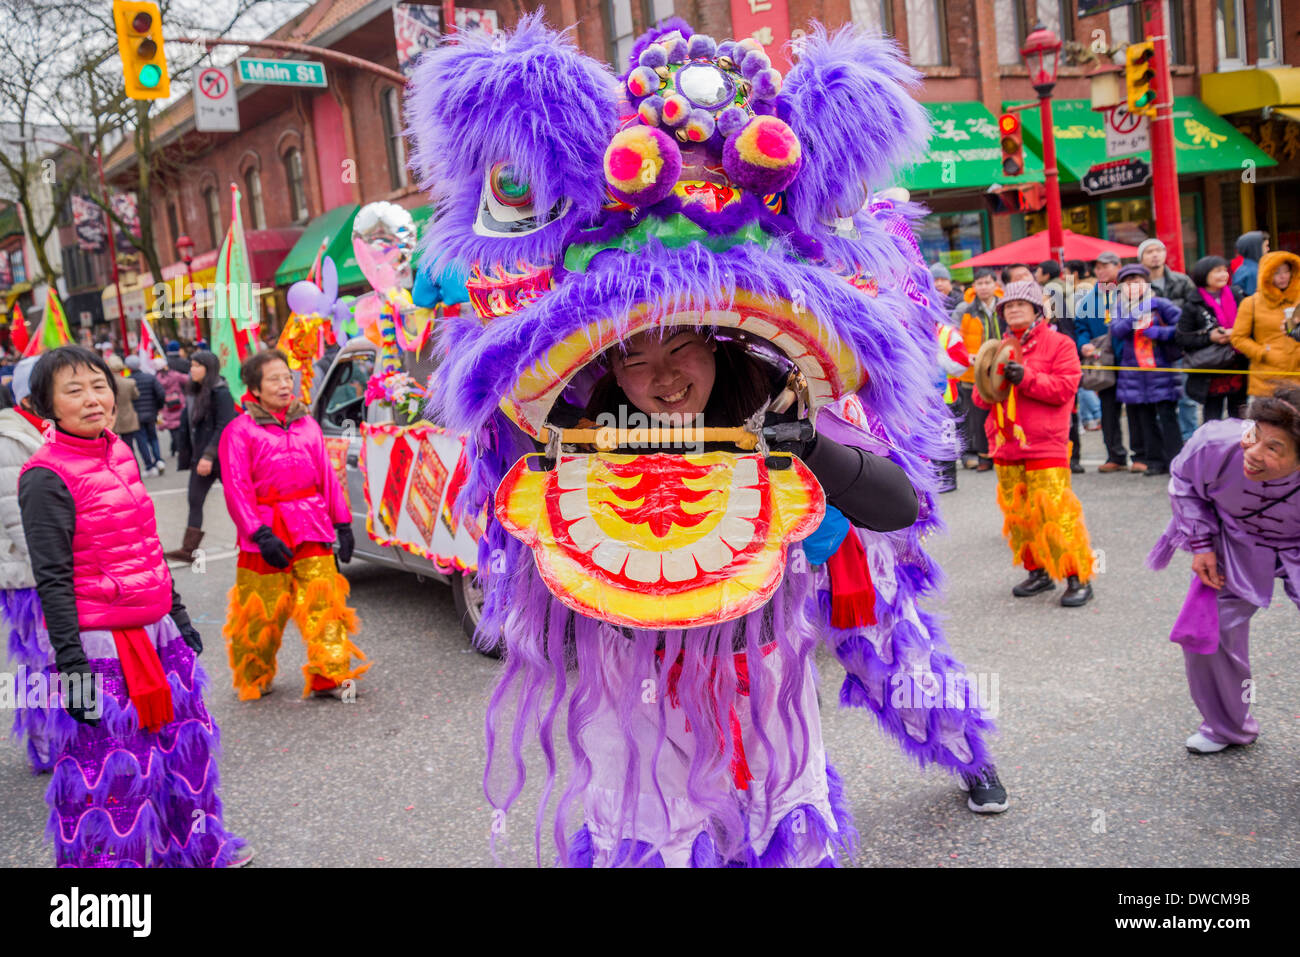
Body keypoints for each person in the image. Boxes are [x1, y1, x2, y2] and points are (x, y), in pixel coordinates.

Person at [16, 345, 249, 867]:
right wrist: (71, 670)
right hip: (101, 645)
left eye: (98, 385)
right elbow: (51, 579)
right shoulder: (43, 476)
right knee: (111, 776)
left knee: (180, 758)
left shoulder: (120, 452)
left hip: (156, 631)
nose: (93, 399)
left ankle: (191, 852)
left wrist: (180, 616)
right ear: (47, 404)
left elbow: (146, 544)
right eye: (73, 390)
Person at [1147, 386, 1300, 753]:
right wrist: (1201, 544)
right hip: (1234, 540)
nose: (1253, 453)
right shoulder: (1215, 443)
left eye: (1273, 448)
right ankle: (1226, 726)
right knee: (1207, 632)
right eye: (1254, 436)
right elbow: (1183, 482)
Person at [219, 348, 367, 701]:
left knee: (324, 605)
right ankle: (254, 674)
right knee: (260, 611)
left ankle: (329, 673)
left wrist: (342, 524)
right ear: (255, 389)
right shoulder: (239, 431)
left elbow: (328, 479)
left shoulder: (308, 424)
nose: (285, 384)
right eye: (274, 379)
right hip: (265, 533)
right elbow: (236, 487)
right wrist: (257, 532)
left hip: (312, 526)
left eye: (287, 377)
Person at [971, 281, 1094, 606]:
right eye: (1008, 306)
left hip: (1045, 444)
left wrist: (1025, 377)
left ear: (1037, 309)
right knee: (1019, 515)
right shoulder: (997, 345)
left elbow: (1065, 389)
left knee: (1055, 512)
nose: (1013, 310)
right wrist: (985, 377)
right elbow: (981, 399)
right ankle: (1037, 571)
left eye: (1021, 304)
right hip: (1006, 444)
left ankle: (1077, 576)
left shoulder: (1060, 344)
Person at [0, 357, 53, 773]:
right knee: (41, 660)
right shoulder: (10, 438)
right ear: (29, 397)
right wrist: (55, 573)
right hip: (32, 574)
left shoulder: (49, 431)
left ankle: (67, 734)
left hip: (57, 569)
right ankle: (48, 744)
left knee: (60, 659)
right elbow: (17, 517)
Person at [1110, 264, 1184, 476]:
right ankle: (1154, 461)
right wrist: (1136, 315)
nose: (1133, 285)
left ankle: (1175, 460)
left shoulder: (1161, 303)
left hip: (1160, 369)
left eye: (1138, 280)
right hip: (1134, 372)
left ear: (1146, 283)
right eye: (1128, 281)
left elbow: (1181, 328)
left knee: (1167, 416)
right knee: (1144, 418)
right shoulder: (1119, 307)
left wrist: (1158, 332)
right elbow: (1116, 330)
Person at [166, 350, 235, 563]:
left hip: (220, 457)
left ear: (208, 368)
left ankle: (255, 537)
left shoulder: (220, 392)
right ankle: (189, 549)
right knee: (194, 499)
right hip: (200, 457)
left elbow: (224, 425)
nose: (192, 369)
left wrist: (208, 455)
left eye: (196, 365)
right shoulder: (194, 391)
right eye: (191, 365)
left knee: (237, 500)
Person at [1074, 251, 1136, 471]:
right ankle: (1115, 455)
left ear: (1118, 265)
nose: (1101, 271)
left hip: (1131, 358)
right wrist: (1083, 344)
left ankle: (1142, 455)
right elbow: (1080, 327)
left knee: (1138, 409)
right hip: (1103, 360)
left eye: (1106, 266)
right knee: (1108, 410)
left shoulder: (1131, 291)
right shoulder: (1089, 298)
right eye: (1098, 267)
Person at [1177, 255, 1247, 424]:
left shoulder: (1237, 294)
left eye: (1225, 270)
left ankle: (1246, 449)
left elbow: (1251, 325)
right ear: (1203, 274)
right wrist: (1211, 337)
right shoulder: (1192, 303)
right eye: (1217, 271)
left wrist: (1236, 333)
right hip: (1211, 369)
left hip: (1239, 363)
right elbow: (1182, 339)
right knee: (1212, 416)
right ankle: (1214, 450)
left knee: (1243, 413)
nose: (1223, 275)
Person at [1229, 250, 1300, 401]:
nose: (1283, 276)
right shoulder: (1252, 303)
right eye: (1276, 272)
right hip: (1267, 381)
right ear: (1266, 275)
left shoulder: (1298, 300)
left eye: (1287, 271)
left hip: (1297, 377)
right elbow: (1238, 337)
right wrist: (1262, 352)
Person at [952, 267, 1003, 470]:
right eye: (979, 283)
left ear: (995, 285)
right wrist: (966, 355)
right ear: (974, 286)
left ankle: (1001, 453)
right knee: (975, 416)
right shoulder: (964, 309)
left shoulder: (1004, 305)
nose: (983, 287)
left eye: (987, 282)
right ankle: (982, 456)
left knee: (1001, 412)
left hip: (1000, 369)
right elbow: (954, 337)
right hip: (973, 370)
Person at [125, 353, 166, 476]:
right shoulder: (150, 378)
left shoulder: (128, 381)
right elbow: (161, 394)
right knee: (153, 437)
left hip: (136, 415)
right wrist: (157, 407)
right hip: (151, 413)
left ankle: (149, 465)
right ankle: (158, 459)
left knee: (141, 440)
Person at [105, 354, 141, 462]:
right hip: (127, 416)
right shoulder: (129, 383)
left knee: (113, 447)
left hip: (112, 418)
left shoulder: (106, 384)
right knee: (129, 446)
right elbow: (136, 396)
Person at [154, 354, 189, 459]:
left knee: (172, 427)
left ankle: (174, 447)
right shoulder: (175, 375)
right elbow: (187, 380)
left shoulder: (156, 379)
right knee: (179, 425)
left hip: (166, 405)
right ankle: (177, 447)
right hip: (178, 402)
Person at [1230, 231, 1268, 298]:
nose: (1268, 249)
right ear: (1256, 248)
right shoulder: (1253, 272)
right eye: (1266, 246)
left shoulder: (1244, 269)